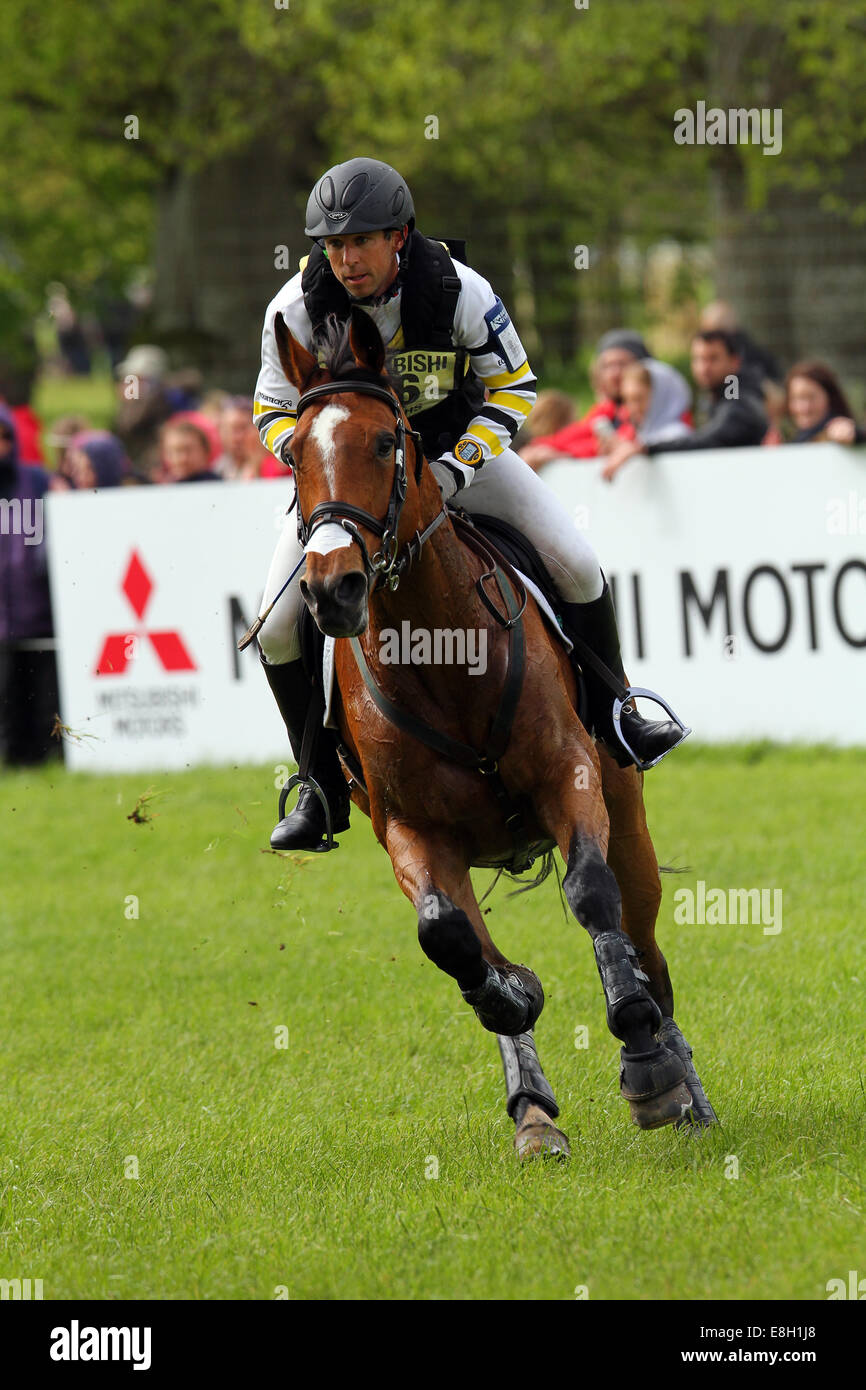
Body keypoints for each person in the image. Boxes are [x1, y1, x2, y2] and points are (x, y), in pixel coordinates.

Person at [253, 158, 689, 851]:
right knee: (276, 624)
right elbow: (272, 408)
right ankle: (318, 784)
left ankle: (616, 716)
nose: (344, 259)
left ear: (399, 236)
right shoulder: (296, 307)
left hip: (457, 457)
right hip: (355, 486)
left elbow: (514, 389)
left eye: (359, 241)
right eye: (331, 245)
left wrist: (454, 471)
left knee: (576, 563)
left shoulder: (459, 289)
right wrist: (315, 462)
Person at [601, 329, 768, 480]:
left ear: (734, 362)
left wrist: (646, 448)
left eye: (713, 358)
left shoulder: (737, 392)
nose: (704, 367)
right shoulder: (717, 395)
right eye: (698, 359)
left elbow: (712, 438)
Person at [0, 405, 59, 764]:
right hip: (2, 624)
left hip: (37, 613)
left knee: (43, 700)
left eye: (5, 437)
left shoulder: (35, 480)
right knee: (6, 703)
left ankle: (50, 763)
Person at [520, 329, 652, 468]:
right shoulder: (606, 411)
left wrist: (566, 455)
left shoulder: (651, 409)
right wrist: (540, 448)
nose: (614, 373)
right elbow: (575, 436)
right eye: (607, 366)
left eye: (622, 364)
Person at [598, 359, 692, 479]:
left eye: (638, 398)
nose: (632, 408)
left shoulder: (679, 435)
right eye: (627, 399)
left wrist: (635, 450)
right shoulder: (640, 438)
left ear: (660, 397)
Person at [779, 361, 865, 445]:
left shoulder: (835, 432)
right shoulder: (792, 438)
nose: (804, 408)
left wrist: (853, 434)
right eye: (796, 398)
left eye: (811, 397)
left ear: (829, 397)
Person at [214, 396, 283, 479]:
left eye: (243, 428)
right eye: (230, 430)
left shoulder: (279, 468)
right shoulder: (216, 471)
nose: (237, 438)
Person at [159, 419, 222, 483]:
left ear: (205, 451)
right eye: (174, 451)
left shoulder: (218, 485)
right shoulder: (161, 488)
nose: (182, 459)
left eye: (188, 450)